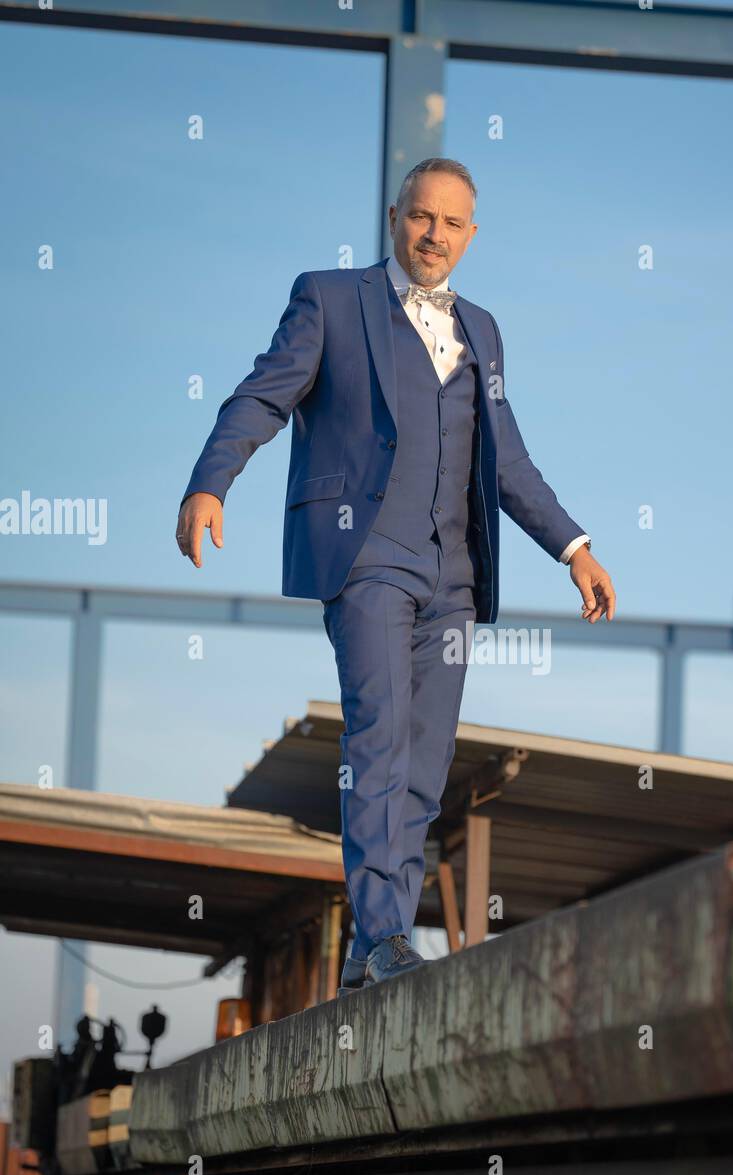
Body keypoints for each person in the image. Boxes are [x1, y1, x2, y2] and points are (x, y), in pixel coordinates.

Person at [176, 158, 616, 988]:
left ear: (472, 235)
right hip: (367, 555)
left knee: (424, 759)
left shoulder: (482, 330)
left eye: (452, 224)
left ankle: (370, 956)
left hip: (452, 574)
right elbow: (263, 396)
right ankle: (382, 936)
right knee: (378, 737)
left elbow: (508, 460)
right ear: (393, 217)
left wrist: (574, 548)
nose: (434, 235)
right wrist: (210, 482)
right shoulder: (329, 299)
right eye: (421, 217)